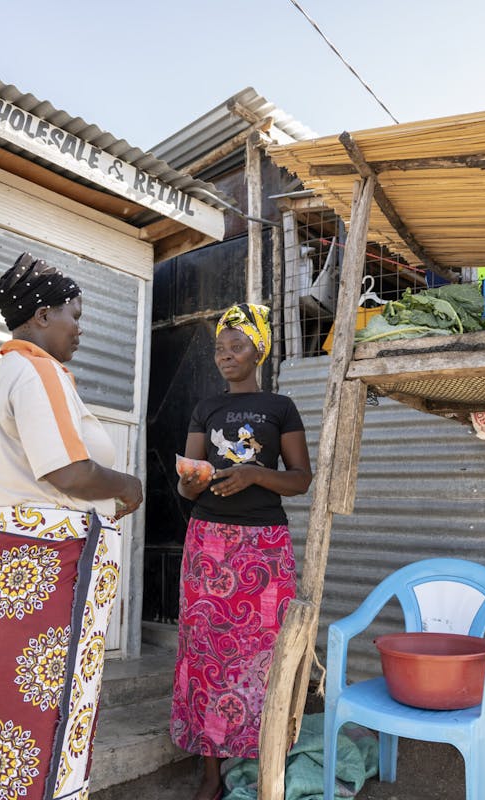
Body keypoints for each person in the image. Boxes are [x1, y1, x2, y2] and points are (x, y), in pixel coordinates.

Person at [0, 252, 143, 800]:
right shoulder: (39, 370)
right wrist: (127, 486)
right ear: (41, 316)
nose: (79, 329)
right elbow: (68, 470)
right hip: (49, 569)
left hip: (5, 564)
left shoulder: (2, 377)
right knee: (48, 708)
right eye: (73, 315)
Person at [171, 303, 313, 800]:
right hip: (208, 542)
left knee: (264, 651)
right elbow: (186, 488)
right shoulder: (205, 408)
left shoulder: (281, 407)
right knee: (205, 652)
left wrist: (254, 473)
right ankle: (211, 772)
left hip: (264, 547)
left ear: (260, 350)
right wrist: (194, 480)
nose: (225, 355)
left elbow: (300, 479)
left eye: (237, 346)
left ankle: (262, 753)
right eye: (219, 348)